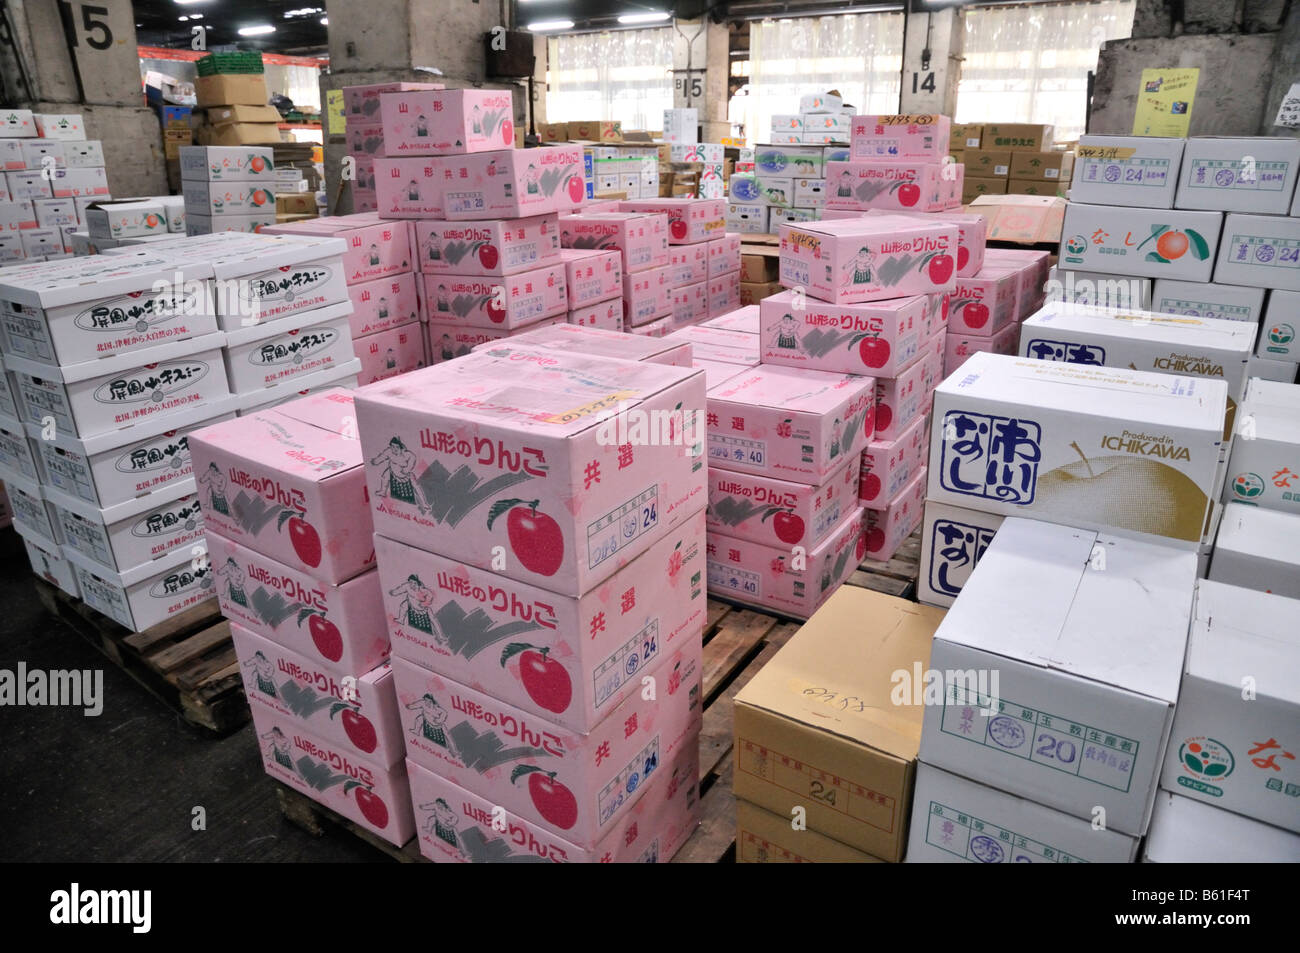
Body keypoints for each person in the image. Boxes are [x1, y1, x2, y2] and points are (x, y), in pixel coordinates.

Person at [369, 436, 427, 511]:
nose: (394, 449)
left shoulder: (408, 454)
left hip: (405, 475)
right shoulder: (389, 451)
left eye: (396, 447)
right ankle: (383, 491)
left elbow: (411, 463)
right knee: (385, 476)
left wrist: (406, 470)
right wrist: (375, 461)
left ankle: (424, 503)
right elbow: (381, 458)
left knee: (416, 486)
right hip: (392, 471)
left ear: (400, 447)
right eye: (392, 446)